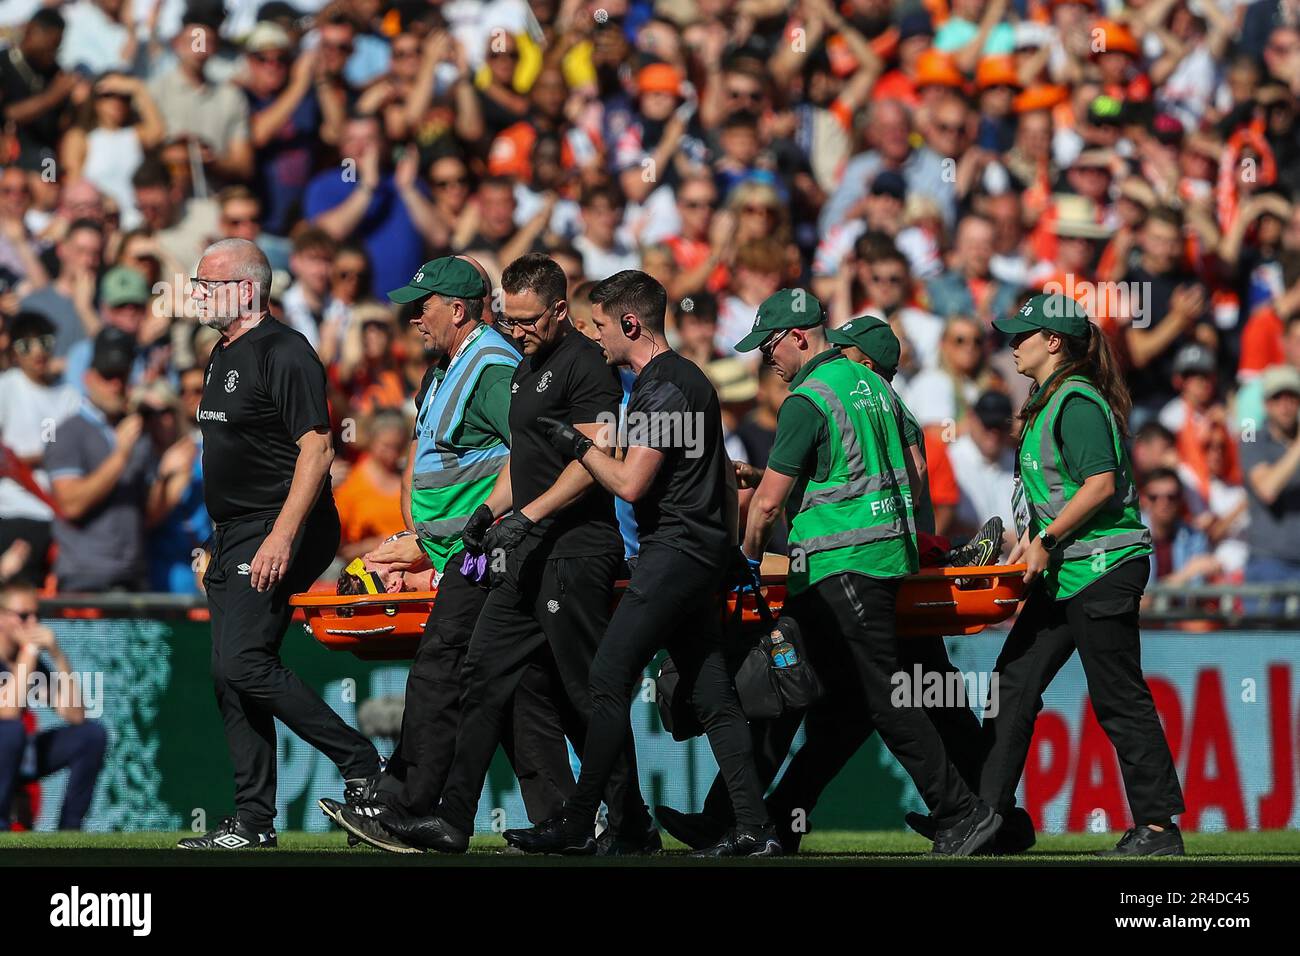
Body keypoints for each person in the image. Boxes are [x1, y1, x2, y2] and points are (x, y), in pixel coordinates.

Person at [376, 253, 654, 855]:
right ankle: (453, 820)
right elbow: (524, 461)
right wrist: (485, 514)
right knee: (482, 673)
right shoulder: (528, 366)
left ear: (560, 310)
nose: (517, 331)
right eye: (510, 318)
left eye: (528, 320)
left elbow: (593, 465)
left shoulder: (590, 370)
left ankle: (631, 822)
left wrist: (527, 513)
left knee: (586, 694)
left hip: (577, 549)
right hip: (525, 549)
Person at [504, 269, 779, 857]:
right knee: (714, 697)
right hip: (696, 553)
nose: (595, 336)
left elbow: (629, 484)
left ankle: (584, 819)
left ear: (631, 324)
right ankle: (755, 830)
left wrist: (576, 444)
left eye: (602, 326)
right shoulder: (689, 383)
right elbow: (725, 481)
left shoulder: (663, 388)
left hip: (674, 552)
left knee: (605, 678)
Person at [729, 289, 1000, 856]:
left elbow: (768, 505)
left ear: (799, 336)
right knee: (819, 696)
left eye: (770, 346)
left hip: (840, 568)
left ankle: (962, 813)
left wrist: (748, 561)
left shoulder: (807, 399)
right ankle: (759, 823)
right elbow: (916, 473)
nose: (767, 360)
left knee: (877, 699)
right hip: (880, 563)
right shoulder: (878, 389)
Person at [323, 256, 573, 854]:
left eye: (423, 305)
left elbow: (533, 456)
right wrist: (424, 540)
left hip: (489, 551)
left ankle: (399, 805)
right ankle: (566, 819)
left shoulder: (489, 369)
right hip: (460, 549)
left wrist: (478, 534)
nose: (414, 317)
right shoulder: (447, 369)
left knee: (440, 670)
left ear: (458, 309)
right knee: (514, 690)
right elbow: (434, 463)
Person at [178, 238, 380, 849]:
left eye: (207, 282)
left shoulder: (285, 351)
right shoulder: (221, 353)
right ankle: (253, 820)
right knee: (228, 670)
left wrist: (280, 537)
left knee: (241, 661)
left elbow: (317, 448)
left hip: (280, 523)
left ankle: (363, 765)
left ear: (246, 289)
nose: (196, 292)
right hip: (238, 530)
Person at [980, 292, 1185, 856]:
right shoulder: (1051, 401)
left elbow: (1098, 486)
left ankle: (1159, 828)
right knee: (1012, 685)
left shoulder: (1076, 401)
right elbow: (1056, 495)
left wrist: (1045, 540)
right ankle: (984, 816)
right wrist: (1026, 546)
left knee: (1119, 698)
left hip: (1102, 568)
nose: (1011, 344)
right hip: (1068, 570)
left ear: (1053, 342)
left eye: (1022, 335)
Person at [44, 328, 165, 592]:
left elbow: (149, 515)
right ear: (88, 378)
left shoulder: (139, 433)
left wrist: (168, 476)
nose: (116, 385)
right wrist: (120, 455)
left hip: (135, 578)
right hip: (84, 580)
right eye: (108, 376)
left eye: (122, 376)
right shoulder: (66, 432)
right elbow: (71, 505)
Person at [0, 581, 106, 831]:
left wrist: (58, 655)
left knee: (91, 735)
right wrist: (30, 650)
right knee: (11, 731)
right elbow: (8, 711)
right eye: (24, 616)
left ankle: (69, 832)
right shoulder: (26, 654)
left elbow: (76, 716)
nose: (33, 623)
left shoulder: (30, 659)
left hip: (17, 756)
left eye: (37, 615)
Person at [0, 314, 80, 586]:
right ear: (14, 352)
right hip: (15, 512)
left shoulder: (69, 395)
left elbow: (76, 453)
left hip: (61, 515)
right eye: (26, 345)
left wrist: (32, 457)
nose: (37, 352)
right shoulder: (7, 386)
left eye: (44, 342)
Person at [1240, 365, 1300, 586]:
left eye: (1292, 397)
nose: (1285, 405)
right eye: (1278, 398)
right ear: (1266, 404)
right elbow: (1267, 489)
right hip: (1268, 562)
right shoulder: (1252, 439)